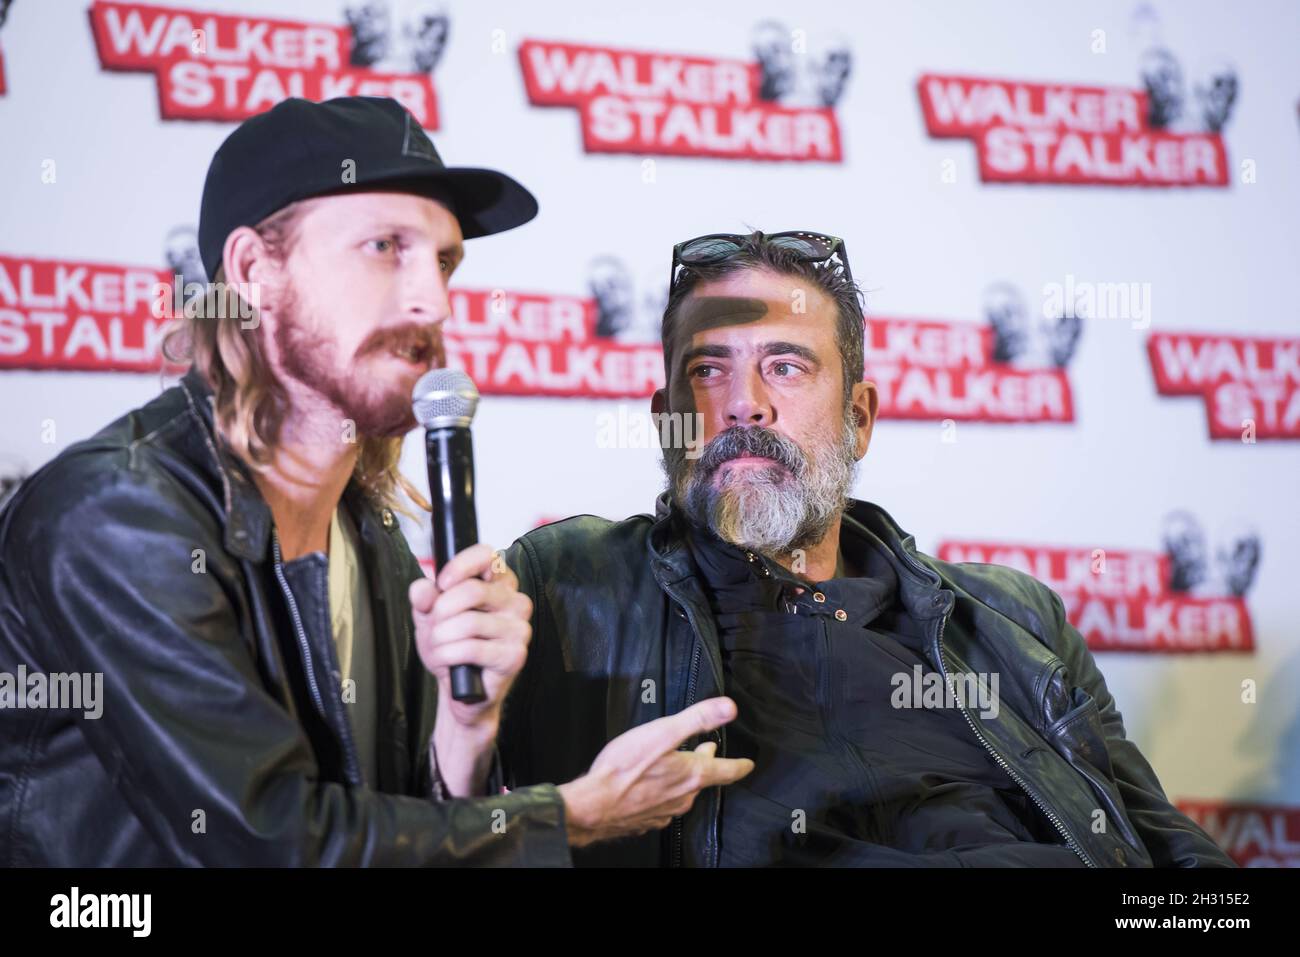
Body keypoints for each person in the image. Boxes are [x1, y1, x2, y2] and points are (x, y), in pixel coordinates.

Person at [0, 96, 751, 866]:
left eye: (445, 259)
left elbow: (394, 819)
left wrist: (465, 729)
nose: (434, 299)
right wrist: (569, 816)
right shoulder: (117, 516)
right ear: (256, 272)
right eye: (386, 246)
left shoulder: (369, 532)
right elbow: (270, 844)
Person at [497, 230, 1236, 868]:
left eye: (786, 366)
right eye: (708, 369)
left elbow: (1167, 849)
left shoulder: (1016, 620)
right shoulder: (569, 586)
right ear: (667, 422)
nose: (744, 402)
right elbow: (439, 822)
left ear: (859, 417)